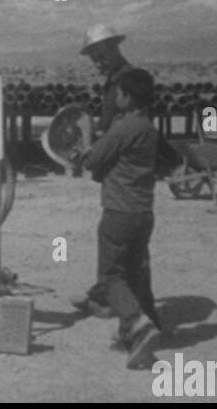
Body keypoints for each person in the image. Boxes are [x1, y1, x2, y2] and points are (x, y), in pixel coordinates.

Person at [70, 24, 178, 318]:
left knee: (121, 253)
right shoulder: (116, 81)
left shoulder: (128, 81)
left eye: (101, 54)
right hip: (130, 184)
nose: (98, 61)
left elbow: (125, 132)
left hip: (122, 179)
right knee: (132, 256)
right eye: (94, 57)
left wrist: (92, 145)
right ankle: (123, 304)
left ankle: (124, 308)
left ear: (114, 48)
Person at [78, 68, 164, 369]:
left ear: (127, 96)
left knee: (111, 276)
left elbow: (93, 160)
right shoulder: (149, 128)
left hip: (119, 211)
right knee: (136, 271)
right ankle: (143, 331)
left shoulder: (124, 127)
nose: (115, 98)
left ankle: (136, 322)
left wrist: (86, 139)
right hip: (143, 211)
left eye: (118, 93)